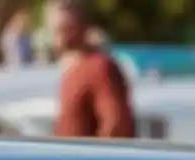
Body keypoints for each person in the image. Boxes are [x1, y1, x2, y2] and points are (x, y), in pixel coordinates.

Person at [46, 0, 135, 139]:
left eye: (66, 29)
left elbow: (116, 126)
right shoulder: (69, 69)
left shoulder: (100, 68)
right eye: (55, 29)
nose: (60, 37)